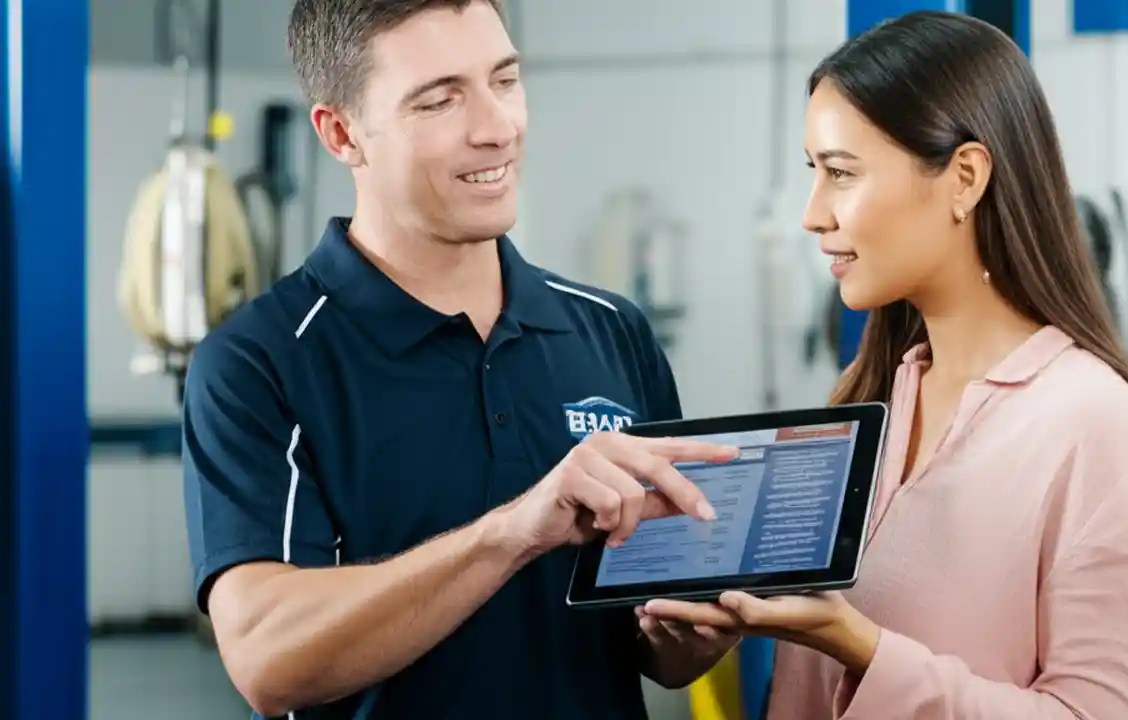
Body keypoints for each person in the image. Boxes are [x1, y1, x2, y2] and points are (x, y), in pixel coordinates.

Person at [180, 1, 742, 718]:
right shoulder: (257, 363)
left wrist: (692, 635)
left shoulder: (611, 331)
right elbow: (269, 661)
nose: (496, 127)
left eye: (504, 80)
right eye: (440, 100)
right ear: (342, 132)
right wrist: (514, 531)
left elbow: (654, 651)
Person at [642, 11, 1128, 720]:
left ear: (963, 177)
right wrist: (694, 642)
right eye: (814, 173)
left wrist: (864, 649)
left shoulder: (1093, 427)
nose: (812, 213)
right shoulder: (867, 404)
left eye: (840, 173)